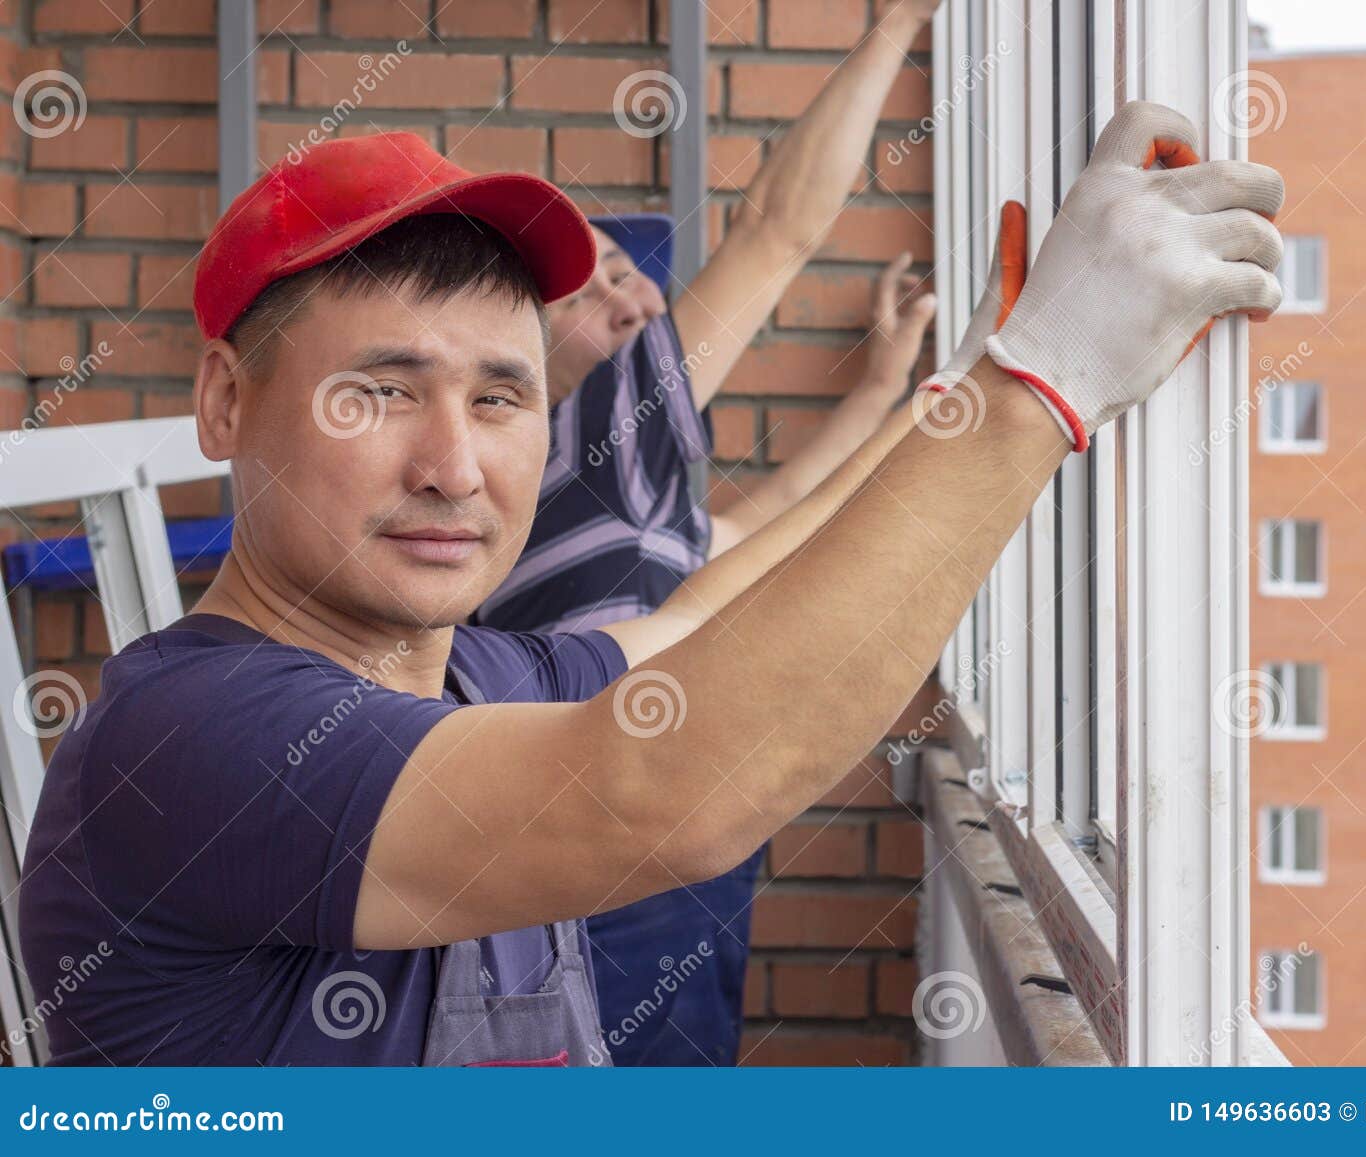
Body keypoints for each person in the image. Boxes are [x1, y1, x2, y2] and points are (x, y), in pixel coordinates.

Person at [18, 96, 1284, 1064]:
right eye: (383, 390)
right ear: (227, 402)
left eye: (502, 396)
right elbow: (662, 786)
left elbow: (701, 619)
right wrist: (1040, 389)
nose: (454, 466)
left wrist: (964, 384)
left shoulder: (484, 673)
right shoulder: (184, 739)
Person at [475, 2, 941, 1066]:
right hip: (617, 868)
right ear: (521, 349)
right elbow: (776, 229)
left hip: (653, 853)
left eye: (623, 266)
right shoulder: (576, 433)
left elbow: (766, 520)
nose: (630, 293)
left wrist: (882, 383)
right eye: (583, 289)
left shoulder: (619, 505)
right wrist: (894, 27)